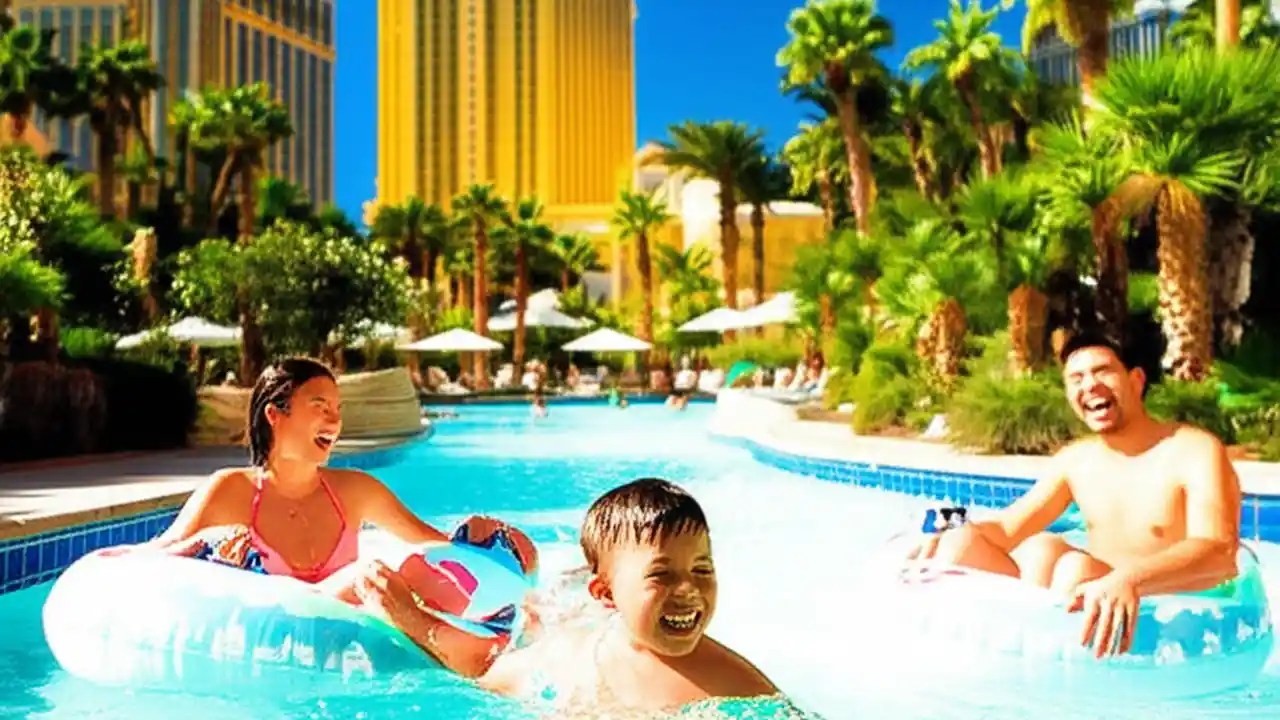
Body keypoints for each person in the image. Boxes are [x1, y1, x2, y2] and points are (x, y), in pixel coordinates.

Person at [138, 357, 539, 673]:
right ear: (275, 415)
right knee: (364, 576)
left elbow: (435, 546)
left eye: (337, 408)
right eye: (319, 406)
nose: (334, 419)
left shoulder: (354, 490)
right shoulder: (231, 491)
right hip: (269, 652)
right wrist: (207, 555)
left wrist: (495, 550)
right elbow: (151, 561)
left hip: (347, 656)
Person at [906, 332, 1242, 658]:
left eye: (1103, 372)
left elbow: (1218, 553)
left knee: (1072, 569)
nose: (1090, 386)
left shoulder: (1193, 450)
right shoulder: (1076, 460)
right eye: (1076, 378)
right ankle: (995, 657)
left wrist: (1131, 579)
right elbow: (1007, 528)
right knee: (992, 544)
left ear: (1136, 380)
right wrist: (946, 524)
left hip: (1168, 619)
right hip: (1091, 603)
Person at [476, 478, 780, 715]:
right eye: (661, 574)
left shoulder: (735, 684)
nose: (688, 589)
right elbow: (489, 686)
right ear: (606, 593)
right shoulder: (569, 653)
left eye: (702, 570)